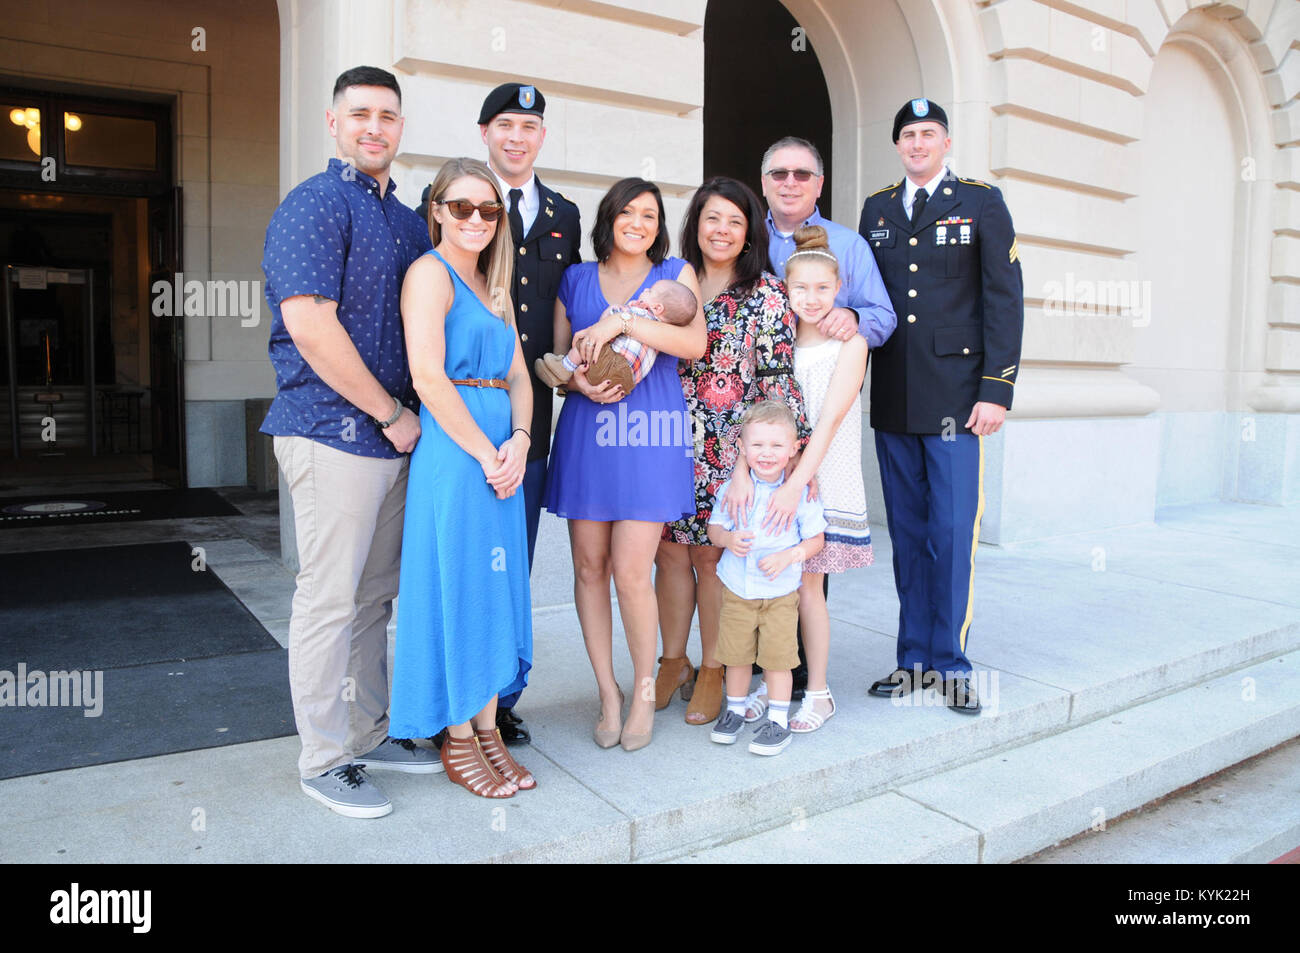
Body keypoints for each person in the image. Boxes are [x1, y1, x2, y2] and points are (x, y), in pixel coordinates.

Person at [261, 66, 439, 820]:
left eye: (389, 116)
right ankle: (323, 758)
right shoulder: (314, 203)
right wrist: (389, 413)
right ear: (333, 123)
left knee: (373, 599)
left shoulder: (403, 219)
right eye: (360, 113)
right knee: (328, 601)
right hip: (331, 433)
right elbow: (309, 323)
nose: (375, 127)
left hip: (394, 441)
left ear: (401, 128)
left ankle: (368, 732)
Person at [857, 98, 1024, 714]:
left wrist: (996, 388)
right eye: (908, 135)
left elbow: (1004, 299)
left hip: (959, 399)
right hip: (896, 395)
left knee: (952, 534)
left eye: (929, 134)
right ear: (897, 145)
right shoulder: (877, 208)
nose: (918, 144)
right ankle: (912, 659)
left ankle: (951, 664)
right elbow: (869, 300)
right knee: (908, 532)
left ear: (946, 143)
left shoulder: (981, 202)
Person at [388, 157, 536, 799]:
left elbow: (521, 378)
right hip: (458, 455)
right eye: (462, 207)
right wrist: (486, 452)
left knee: (491, 586)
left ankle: (487, 729)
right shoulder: (430, 273)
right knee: (456, 580)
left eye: (488, 210)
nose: (476, 219)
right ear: (438, 212)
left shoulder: (497, 285)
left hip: (502, 452)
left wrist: (522, 443)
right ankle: (455, 733)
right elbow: (427, 376)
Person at [545, 177, 706, 751]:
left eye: (650, 215)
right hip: (590, 432)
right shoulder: (576, 278)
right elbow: (563, 362)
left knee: (633, 570)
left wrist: (623, 322)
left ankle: (643, 691)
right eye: (628, 213)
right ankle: (607, 694)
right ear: (609, 217)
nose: (639, 223)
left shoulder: (675, 275)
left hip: (650, 433)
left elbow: (695, 346)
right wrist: (580, 387)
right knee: (589, 568)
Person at [654, 176, 809, 727]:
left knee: (710, 557)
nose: (721, 230)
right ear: (695, 225)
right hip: (667, 437)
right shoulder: (672, 280)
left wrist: (752, 466)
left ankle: (718, 668)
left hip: (732, 448)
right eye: (711, 218)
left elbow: (775, 385)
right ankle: (674, 661)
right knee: (668, 552)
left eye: (734, 221)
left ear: (750, 234)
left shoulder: (765, 294)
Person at [726, 226, 873, 732]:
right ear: (785, 290)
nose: (811, 299)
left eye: (823, 289)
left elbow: (829, 421)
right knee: (780, 589)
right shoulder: (780, 340)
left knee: (809, 589)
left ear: (840, 289)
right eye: (800, 289)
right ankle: (778, 680)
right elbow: (758, 412)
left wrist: (794, 483)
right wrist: (751, 470)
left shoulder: (850, 344)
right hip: (779, 476)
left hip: (819, 476)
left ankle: (819, 691)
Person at [478, 82, 582, 745]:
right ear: (485, 131)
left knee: (514, 561)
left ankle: (504, 696)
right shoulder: (463, 201)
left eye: (531, 126)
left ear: (543, 136)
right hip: (472, 412)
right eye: (506, 124)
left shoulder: (566, 213)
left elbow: (571, 304)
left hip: (534, 419)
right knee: (472, 558)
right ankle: (466, 695)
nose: (518, 136)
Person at [707, 401, 826, 757]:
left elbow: (816, 540)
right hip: (738, 589)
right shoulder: (733, 488)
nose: (766, 453)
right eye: (757, 445)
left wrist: (791, 556)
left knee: (777, 659)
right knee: (737, 656)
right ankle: (735, 710)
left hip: (779, 594)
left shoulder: (802, 492)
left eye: (776, 446)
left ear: (793, 450)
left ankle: (777, 720)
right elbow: (714, 530)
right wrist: (728, 540)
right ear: (742, 448)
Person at [534, 278, 697, 393]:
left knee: (588, 340)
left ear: (658, 307)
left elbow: (613, 316)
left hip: (611, 365)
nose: (645, 290)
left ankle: (563, 367)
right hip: (626, 383)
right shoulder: (661, 334)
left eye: (650, 291)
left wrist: (603, 322)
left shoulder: (641, 313)